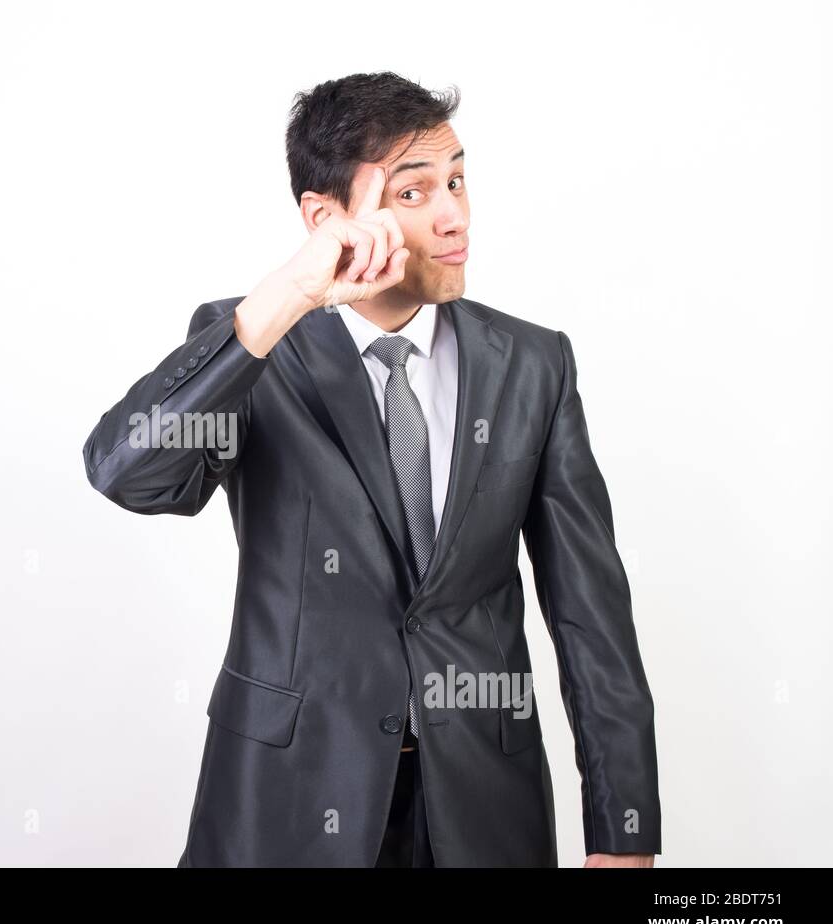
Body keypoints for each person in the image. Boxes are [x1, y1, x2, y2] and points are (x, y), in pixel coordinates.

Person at [82, 71, 660, 867]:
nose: (455, 215)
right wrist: (284, 297)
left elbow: (591, 614)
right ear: (327, 216)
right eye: (415, 192)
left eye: (456, 180)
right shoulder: (251, 343)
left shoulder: (533, 364)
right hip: (287, 798)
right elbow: (127, 471)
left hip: (483, 808)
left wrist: (625, 829)